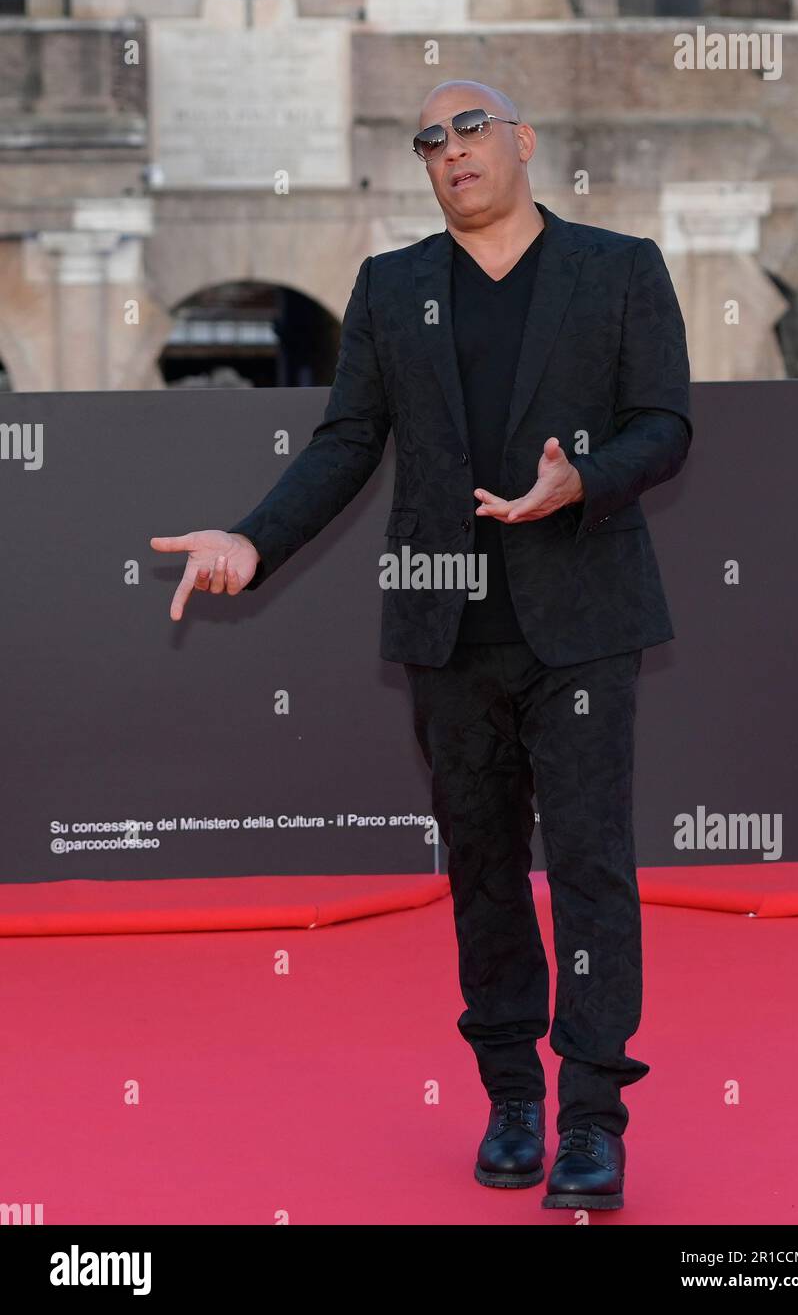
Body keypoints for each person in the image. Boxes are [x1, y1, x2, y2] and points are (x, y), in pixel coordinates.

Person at [150, 79, 692, 1211]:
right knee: (481, 871)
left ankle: (593, 1116)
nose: (449, 153)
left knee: (590, 871)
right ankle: (510, 1097)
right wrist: (252, 541)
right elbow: (347, 440)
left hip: (583, 625)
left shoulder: (618, 268)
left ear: (523, 142)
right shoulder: (393, 289)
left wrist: (578, 481)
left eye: (470, 130)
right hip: (446, 629)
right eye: (428, 142)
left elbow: (664, 424)